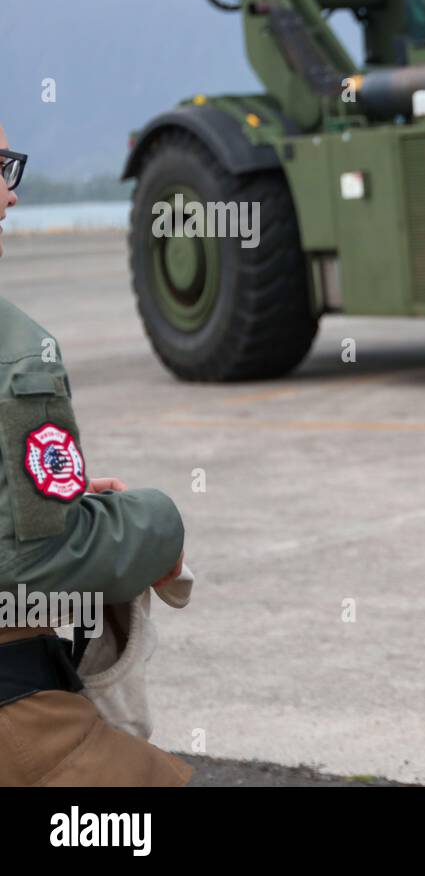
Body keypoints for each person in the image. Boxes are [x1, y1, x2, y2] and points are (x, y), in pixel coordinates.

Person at [0, 124, 191, 786]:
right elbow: (29, 558)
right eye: (0, 167)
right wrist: (151, 525)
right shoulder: (20, 353)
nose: (11, 195)